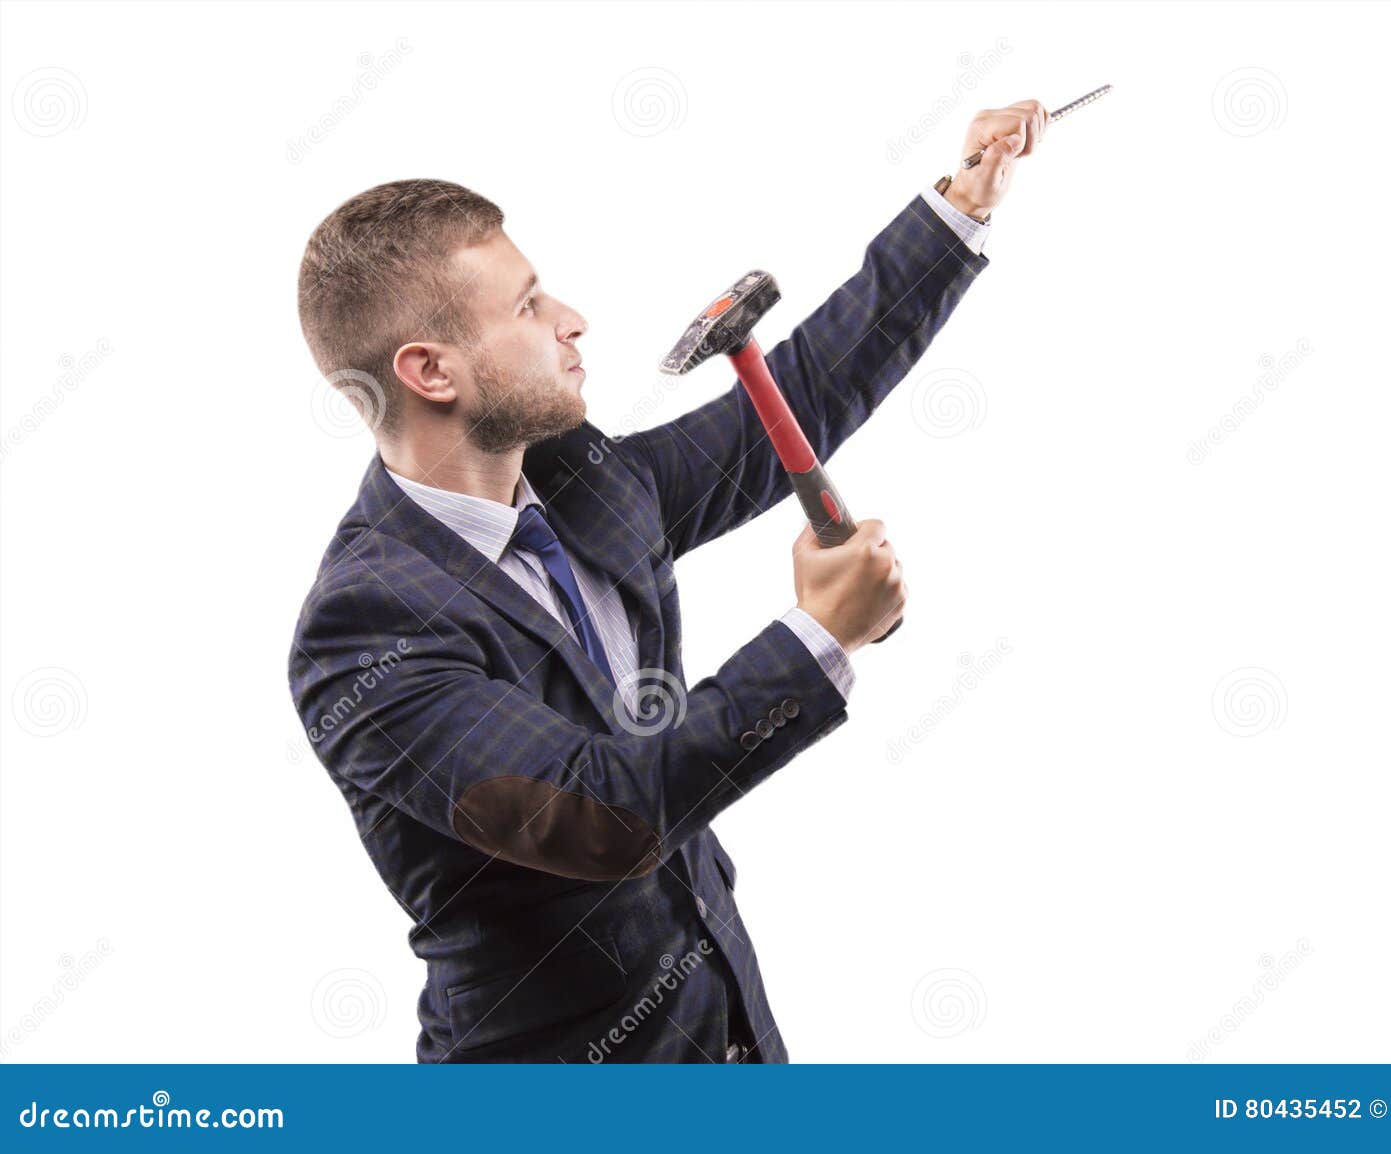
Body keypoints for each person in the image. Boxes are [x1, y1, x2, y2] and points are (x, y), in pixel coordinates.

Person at [287, 101, 1049, 1062]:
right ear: (430, 370)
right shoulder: (362, 633)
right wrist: (818, 638)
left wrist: (962, 206)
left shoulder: (585, 484)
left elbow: (795, 403)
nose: (571, 321)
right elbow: (600, 815)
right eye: (527, 306)